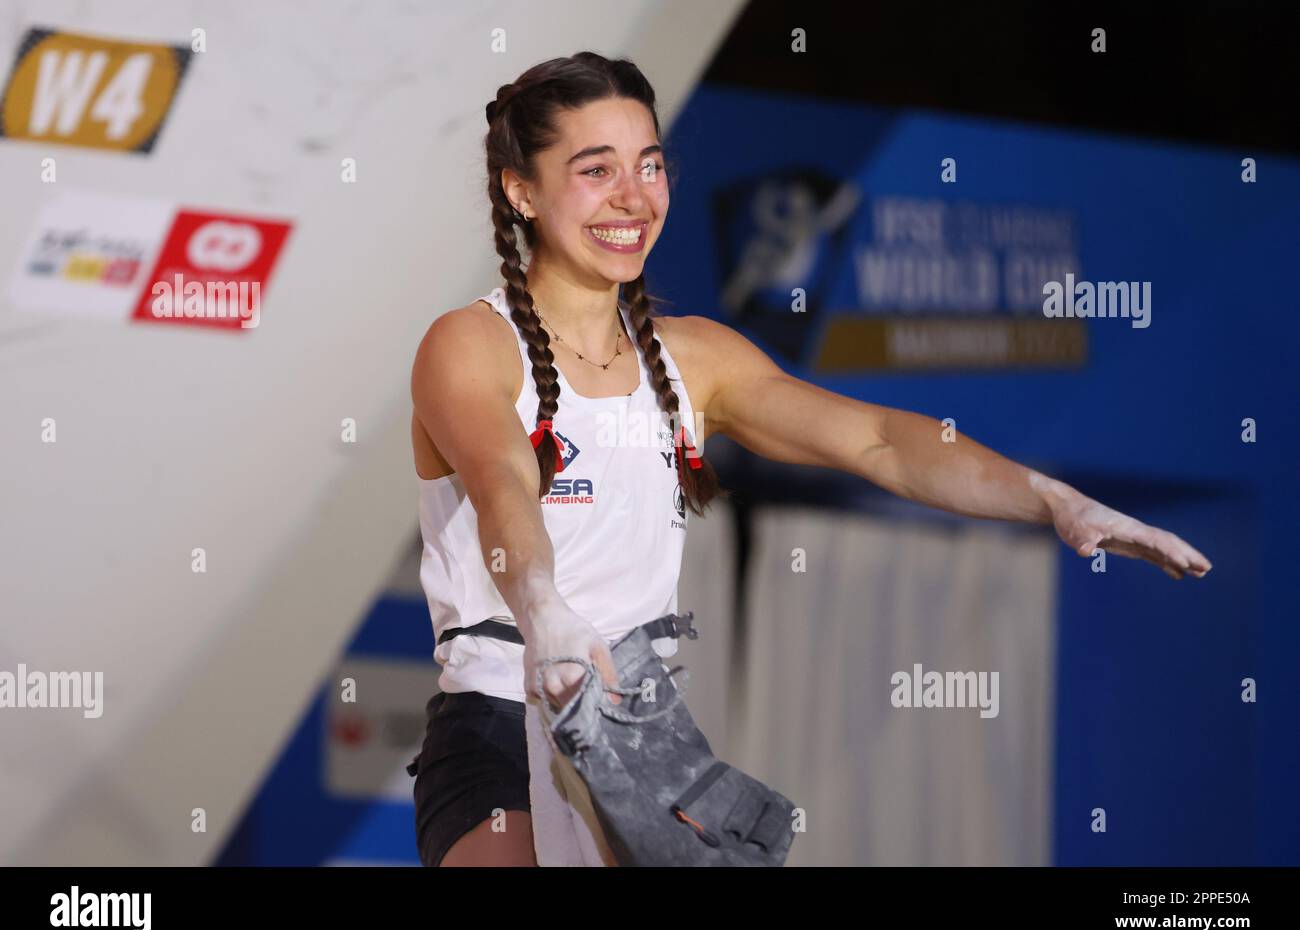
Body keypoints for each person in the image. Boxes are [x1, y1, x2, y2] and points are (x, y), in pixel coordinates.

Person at [407, 52, 1211, 868]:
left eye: (651, 165)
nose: (634, 196)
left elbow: (879, 441)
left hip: (640, 734)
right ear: (522, 190)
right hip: (499, 721)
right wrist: (544, 610)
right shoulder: (470, 344)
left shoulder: (696, 358)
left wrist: (1055, 499)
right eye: (595, 169)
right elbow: (504, 480)